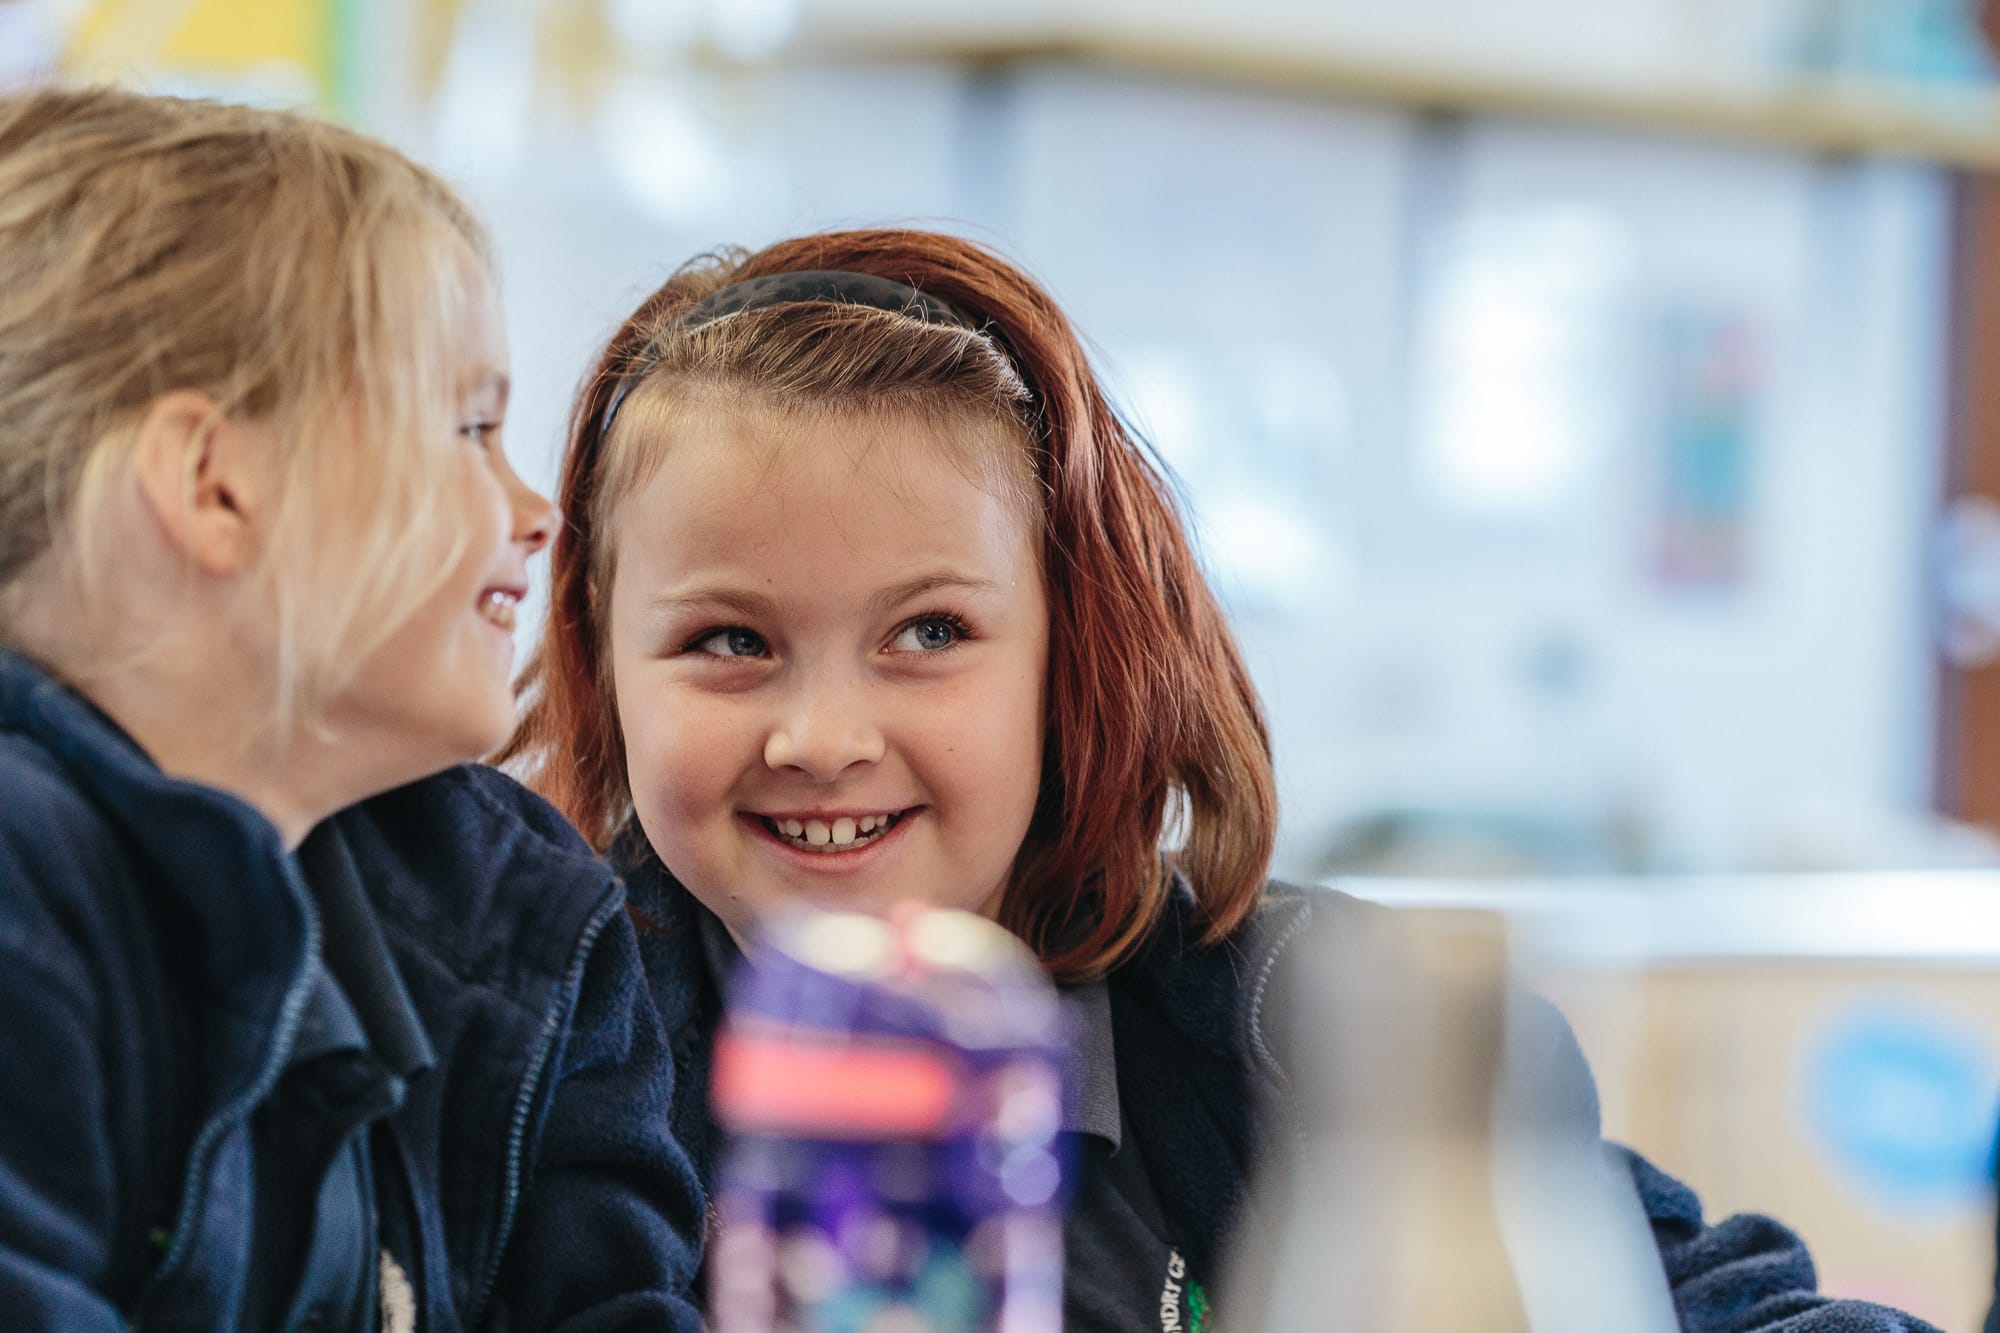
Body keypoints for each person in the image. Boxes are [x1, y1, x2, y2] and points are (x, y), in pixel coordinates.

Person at [503, 228, 1935, 1331]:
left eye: (930, 633)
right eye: (727, 642)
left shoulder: (1303, 1029)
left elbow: (1702, 1301)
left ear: (1075, 656)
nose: (820, 735)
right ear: (602, 663)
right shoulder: (526, 1057)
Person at [0, 86, 704, 1330]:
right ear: (215, 487)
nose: (537, 510)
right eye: (469, 427)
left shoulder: (517, 905)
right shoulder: (25, 887)